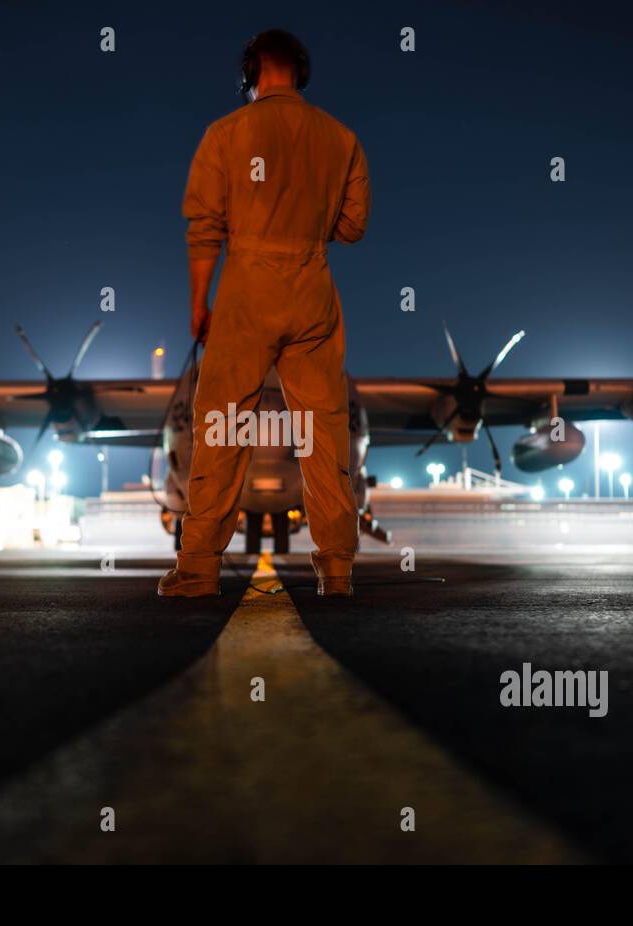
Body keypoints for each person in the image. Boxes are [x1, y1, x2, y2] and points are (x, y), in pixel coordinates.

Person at [157, 28, 371, 598]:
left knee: (221, 428)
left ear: (249, 73)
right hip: (312, 288)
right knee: (325, 433)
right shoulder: (341, 138)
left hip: (247, 291)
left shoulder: (225, 134)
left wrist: (200, 305)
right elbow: (353, 227)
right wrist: (303, 223)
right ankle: (338, 571)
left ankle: (199, 570)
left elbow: (204, 229)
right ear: (301, 73)